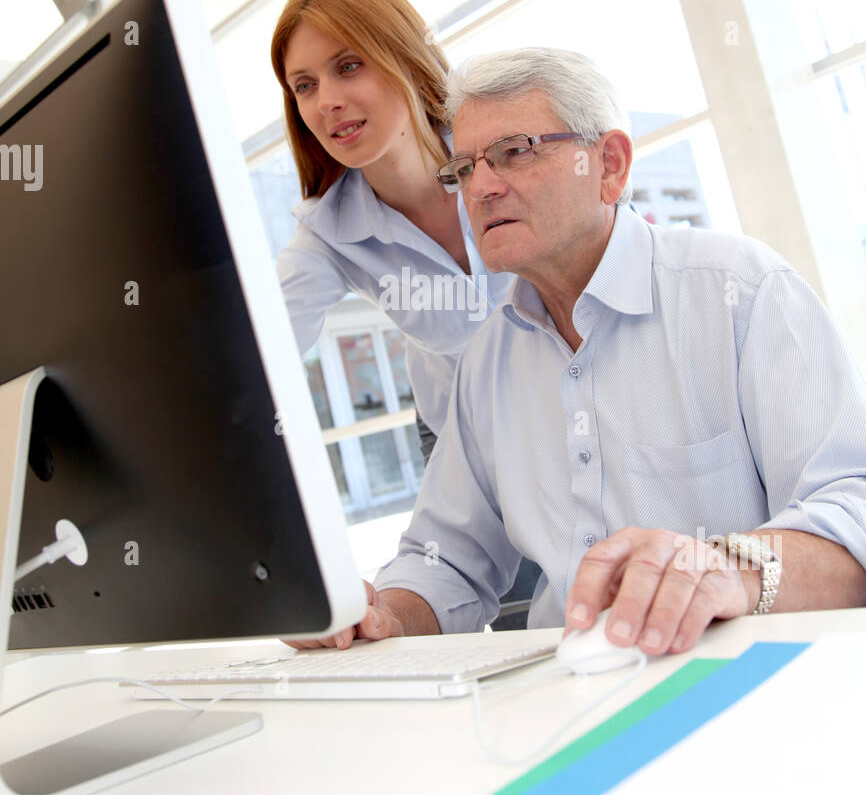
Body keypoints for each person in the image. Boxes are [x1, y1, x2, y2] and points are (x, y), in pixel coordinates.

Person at [290, 46, 866, 654]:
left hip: (745, 684)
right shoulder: (486, 362)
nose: (480, 188)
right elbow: (448, 562)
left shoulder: (741, 292)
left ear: (610, 165)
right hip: (566, 696)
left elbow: (852, 515)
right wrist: (381, 615)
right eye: (462, 168)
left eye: (515, 152)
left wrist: (730, 569)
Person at [270, 0, 515, 460]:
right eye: (305, 85)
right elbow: (259, 350)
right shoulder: (329, 234)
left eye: (349, 65)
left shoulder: (500, 140)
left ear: (402, 55)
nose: (327, 102)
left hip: (578, 401)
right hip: (462, 440)